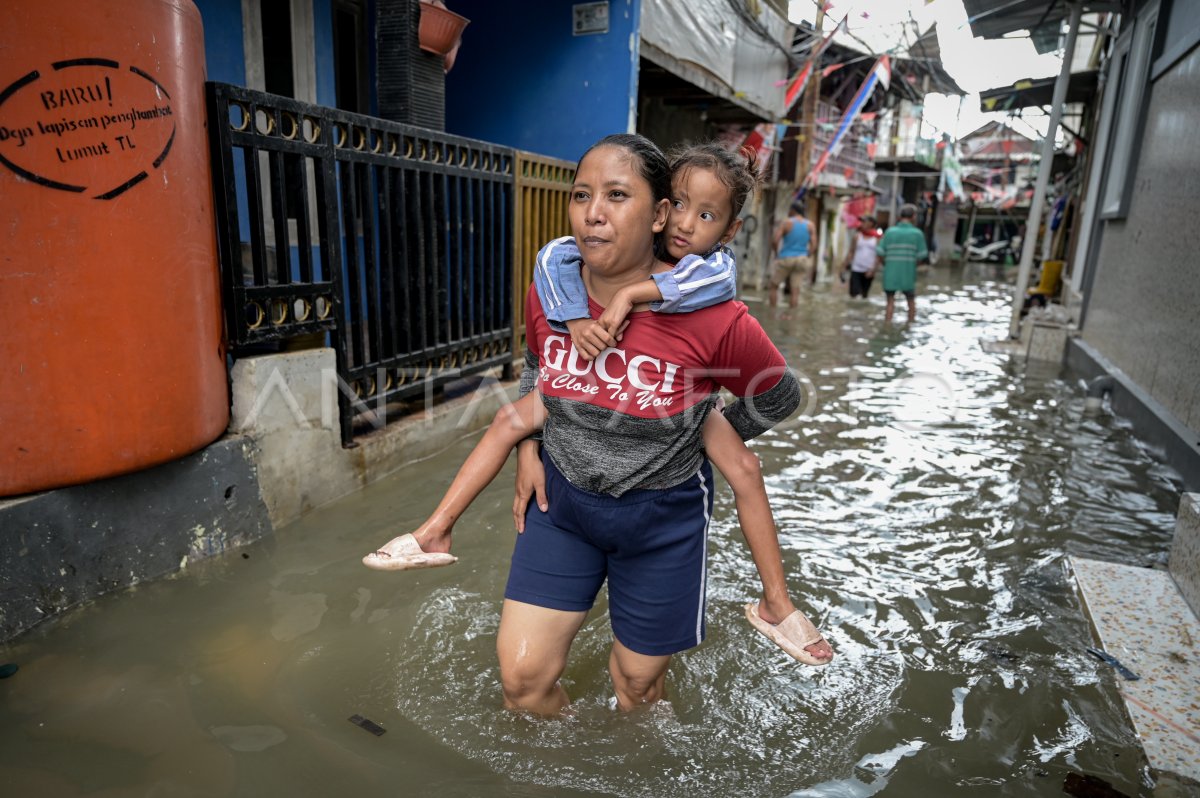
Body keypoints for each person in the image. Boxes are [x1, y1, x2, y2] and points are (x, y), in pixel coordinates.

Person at [364, 142, 834, 669]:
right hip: (560, 505)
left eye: (616, 195)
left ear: (655, 215)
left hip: (663, 519)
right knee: (522, 678)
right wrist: (529, 449)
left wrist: (711, 429)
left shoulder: (715, 314)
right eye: (582, 195)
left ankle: (771, 607)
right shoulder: (551, 288)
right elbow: (536, 366)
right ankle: (434, 533)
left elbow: (782, 393)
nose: (594, 213)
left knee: (637, 686)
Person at [876, 203, 928, 323]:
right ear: (914, 216)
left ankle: (887, 326)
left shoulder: (890, 232)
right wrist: (912, 265)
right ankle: (909, 326)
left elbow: (880, 252)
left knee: (889, 303)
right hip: (908, 274)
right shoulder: (917, 234)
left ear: (900, 216)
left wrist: (887, 264)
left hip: (890, 273)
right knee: (911, 302)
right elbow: (922, 255)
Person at [768, 201, 815, 307]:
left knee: (773, 286)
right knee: (795, 291)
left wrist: (776, 253)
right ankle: (793, 317)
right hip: (802, 259)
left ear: (793, 210)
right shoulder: (810, 225)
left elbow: (775, 240)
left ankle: (772, 313)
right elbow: (814, 245)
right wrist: (807, 255)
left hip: (786, 258)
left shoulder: (786, 223)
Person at [841, 214, 879, 299]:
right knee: (854, 294)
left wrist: (873, 270)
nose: (861, 223)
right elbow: (851, 252)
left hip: (869, 270)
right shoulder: (857, 236)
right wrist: (844, 266)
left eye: (864, 221)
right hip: (856, 269)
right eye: (861, 221)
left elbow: (878, 256)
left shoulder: (877, 238)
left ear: (871, 224)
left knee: (864, 295)